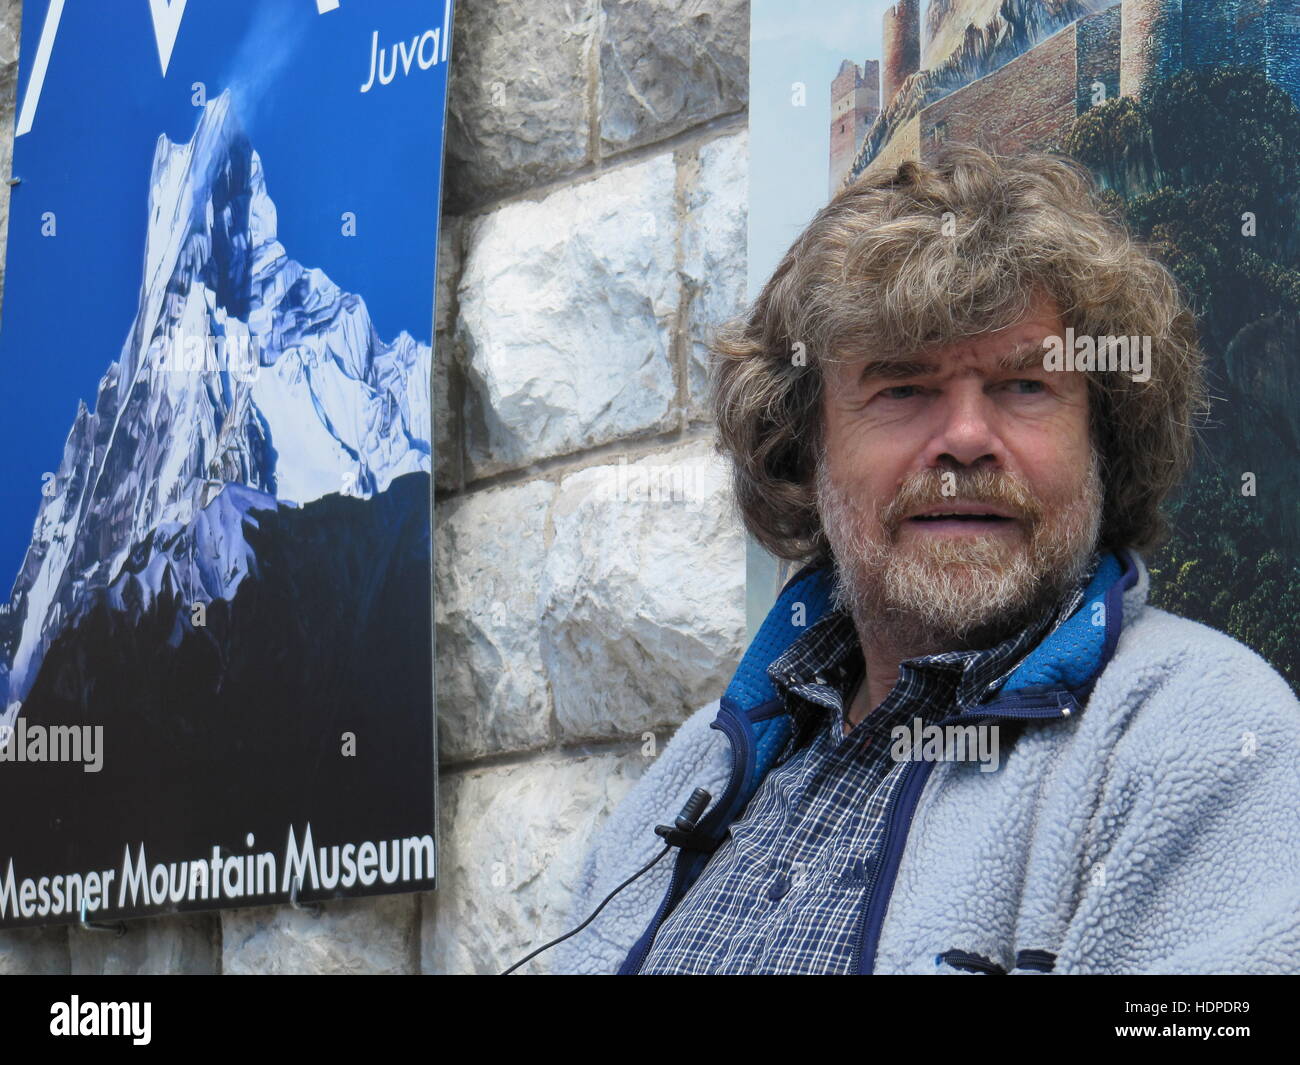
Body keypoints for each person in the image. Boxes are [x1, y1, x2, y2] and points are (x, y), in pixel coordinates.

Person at [553, 144, 1300, 975]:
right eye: (902, 388)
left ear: (1103, 437)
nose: (968, 439)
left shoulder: (1203, 737)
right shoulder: (698, 766)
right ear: (807, 450)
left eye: (1025, 385)